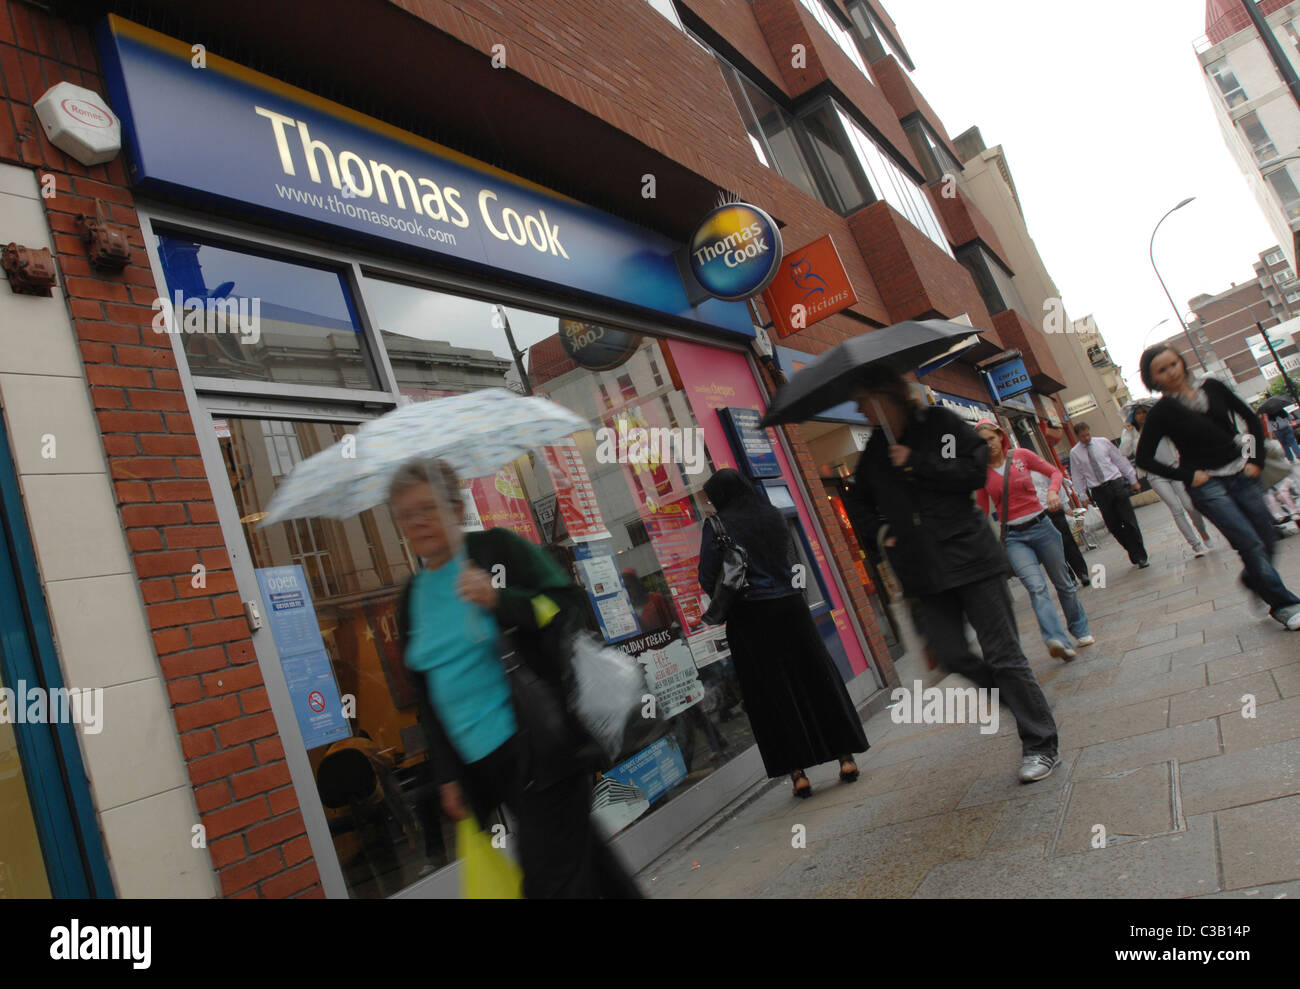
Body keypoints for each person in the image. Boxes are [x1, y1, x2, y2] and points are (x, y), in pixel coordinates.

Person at [390, 458, 642, 897]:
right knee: (588, 865)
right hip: (483, 767)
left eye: (427, 508)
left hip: (539, 748)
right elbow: (427, 695)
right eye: (407, 514)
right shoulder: (412, 597)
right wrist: (447, 774)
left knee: (548, 882)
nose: (418, 522)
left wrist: (501, 600)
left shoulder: (495, 551)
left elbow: (567, 606)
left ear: (454, 507)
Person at [845, 367, 1061, 784]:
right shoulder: (874, 452)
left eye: (864, 402)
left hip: (971, 556)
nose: (860, 411)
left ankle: (1040, 742)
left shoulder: (941, 425)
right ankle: (1023, 704)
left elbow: (971, 472)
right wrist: (879, 534)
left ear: (888, 395)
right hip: (923, 572)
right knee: (950, 654)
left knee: (1003, 655)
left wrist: (917, 464)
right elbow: (860, 507)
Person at [697, 468, 867, 798]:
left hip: (751, 618)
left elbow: (707, 576)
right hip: (792, 608)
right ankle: (845, 759)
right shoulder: (772, 515)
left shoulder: (717, 526)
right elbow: (790, 559)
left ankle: (798, 774)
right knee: (818, 680)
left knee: (770, 694)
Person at [1135, 346, 1300, 631]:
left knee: (1267, 537)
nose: (1171, 371)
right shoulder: (1161, 412)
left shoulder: (1212, 387)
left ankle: (1253, 579)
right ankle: (1284, 605)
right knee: (1249, 542)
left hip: (1242, 473)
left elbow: (1250, 418)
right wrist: (1188, 475)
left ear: (1182, 361)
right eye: (1162, 370)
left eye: (1173, 363)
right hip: (1208, 487)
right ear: (1153, 380)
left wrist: (1255, 460)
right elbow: (1144, 458)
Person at [974, 419, 1093, 661]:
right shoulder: (981, 473)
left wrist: (1051, 492)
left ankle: (1080, 629)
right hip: (1014, 537)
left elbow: (1054, 472)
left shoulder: (1021, 456)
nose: (989, 445)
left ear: (1000, 436)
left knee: (1064, 584)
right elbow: (981, 510)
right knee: (1036, 589)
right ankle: (1056, 640)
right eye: (982, 443)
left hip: (1042, 528)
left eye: (991, 439)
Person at [1119, 402, 1213, 557]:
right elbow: (1124, 451)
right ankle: (1195, 545)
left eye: (1144, 412)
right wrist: (1128, 433)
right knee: (1176, 509)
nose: (1142, 415)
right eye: (1138, 413)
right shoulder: (1132, 433)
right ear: (1133, 416)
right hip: (1155, 476)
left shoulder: (1160, 425)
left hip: (1174, 468)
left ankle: (1203, 532)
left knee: (1190, 505)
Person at [1068, 421, 1149, 568]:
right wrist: (1082, 496)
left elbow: (1120, 460)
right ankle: (1131, 549)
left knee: (1129, 521)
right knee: (1113, 525)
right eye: (1082, 436)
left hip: (1116, 483)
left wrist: (1133, 479)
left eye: (1088, 434)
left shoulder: (1103, 443)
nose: (1086, 438)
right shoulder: (1075, 453)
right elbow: (1077, 475)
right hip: (1099, 491)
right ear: (1077, 436)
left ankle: (1141, 554)